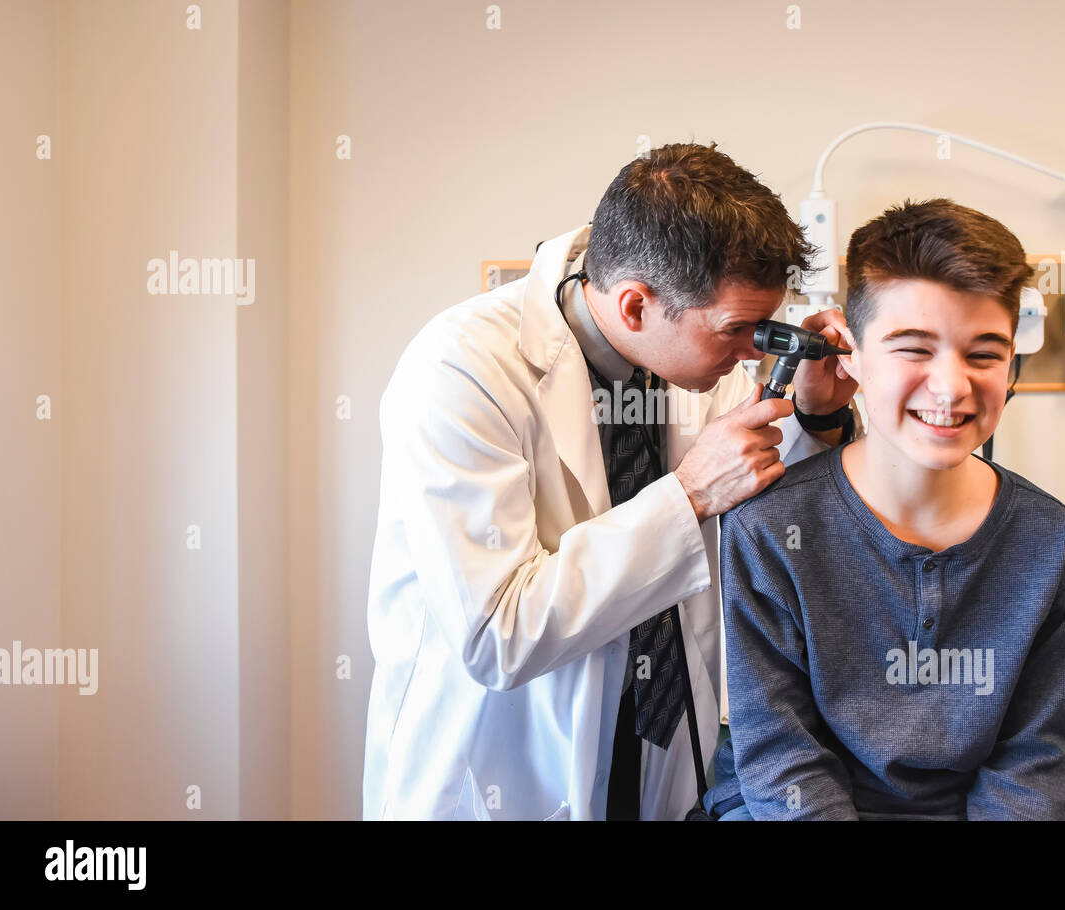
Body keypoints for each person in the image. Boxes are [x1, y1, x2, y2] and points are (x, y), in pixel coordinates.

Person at [362, 142, 860, 820]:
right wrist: (688, 498)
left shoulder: (686, 361)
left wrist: (817, 411)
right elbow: (497, 635)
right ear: (635, 306)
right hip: (502, 778)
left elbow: (769, 512)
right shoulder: (461, 370)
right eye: (736, 330)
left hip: (658, 759)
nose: (752, 353)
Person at [719, 198, 1065, 820]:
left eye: (983, 354)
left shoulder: (1054, 542)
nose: (951, 387)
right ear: (850, 356)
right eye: (913, 349)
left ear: (1010, 366)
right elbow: (781, 756)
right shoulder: (768, 532)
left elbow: (1037, 762)